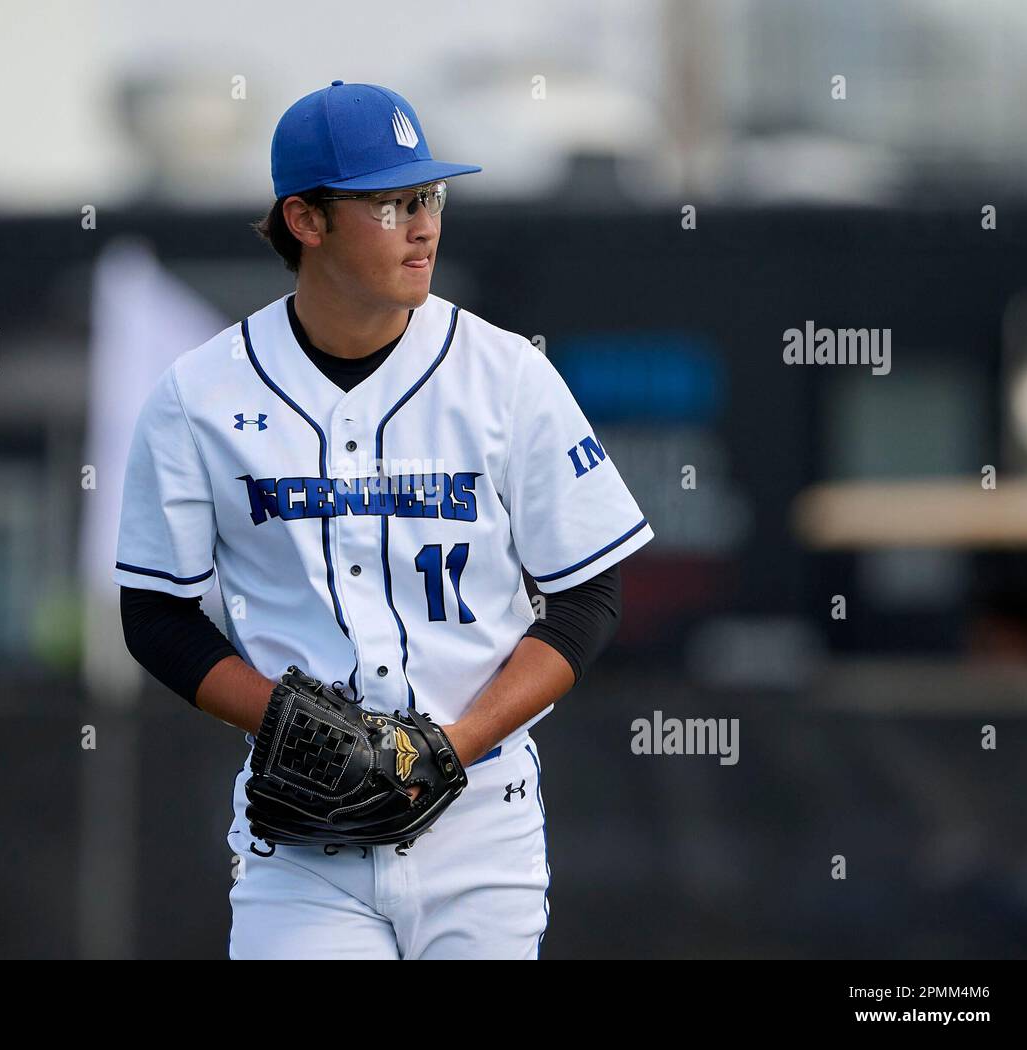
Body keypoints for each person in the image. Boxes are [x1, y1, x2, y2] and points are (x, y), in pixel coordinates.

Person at [115, 81, 653, 959]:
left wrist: (447, 746)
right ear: (307, 220)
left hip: (482, 821)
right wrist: (293, 727)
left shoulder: (506, 376)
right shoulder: (200, 396)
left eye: (429, 196)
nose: (423, 224)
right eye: (388, 202)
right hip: (302, 836)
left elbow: (589, 599)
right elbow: (156, 614)